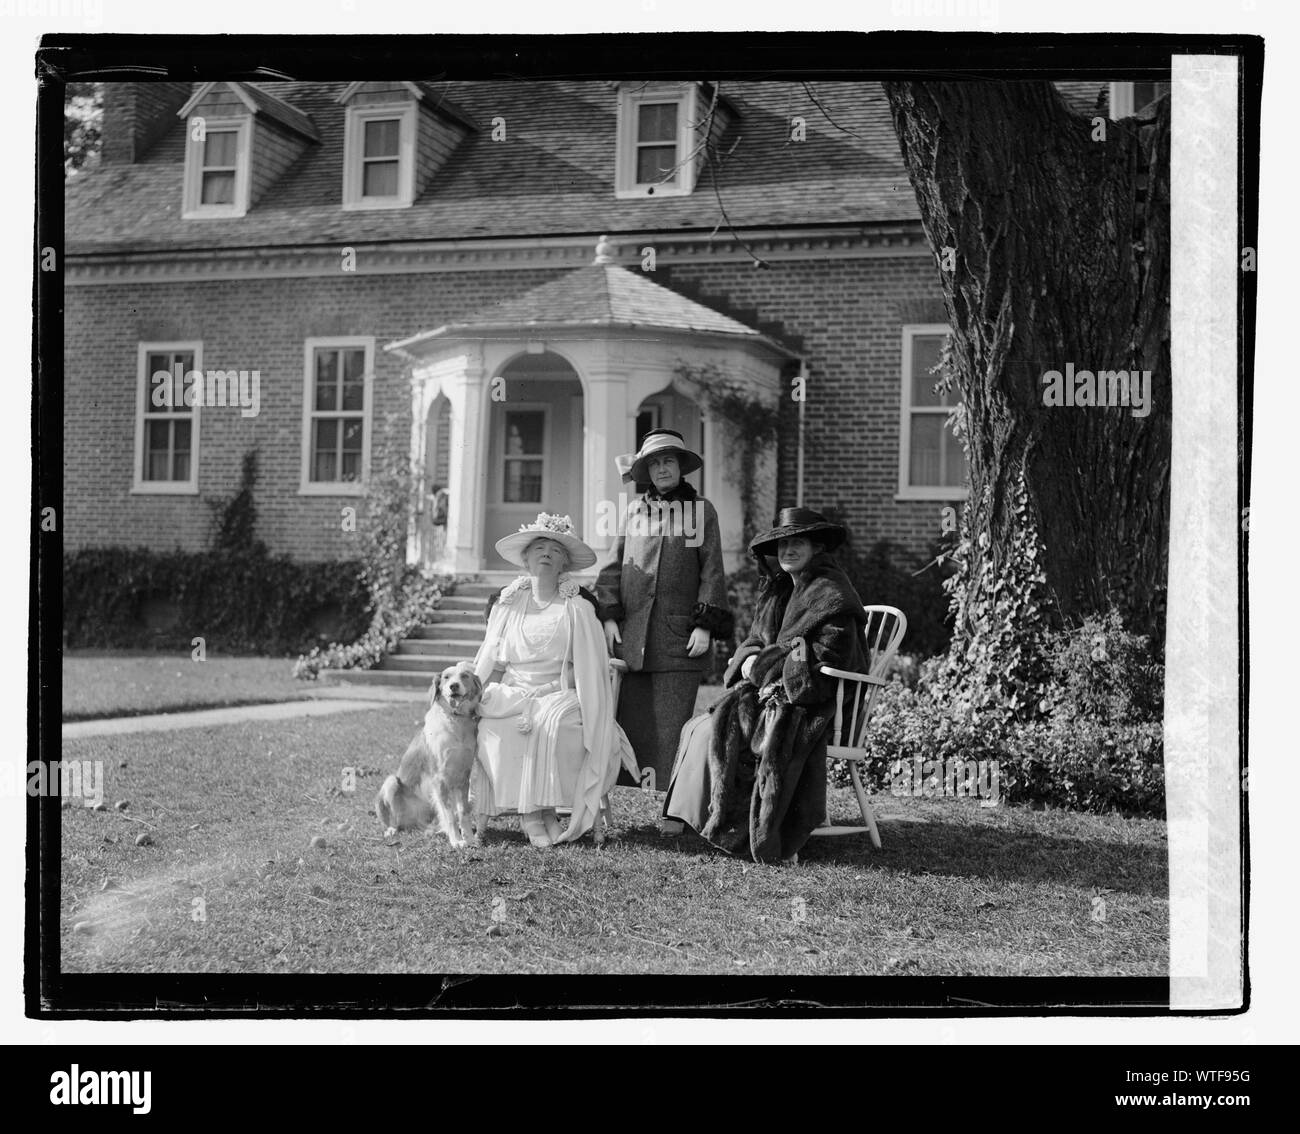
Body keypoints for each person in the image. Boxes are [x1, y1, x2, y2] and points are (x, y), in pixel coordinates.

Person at [661, 507, 869, 864]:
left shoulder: (831, 594)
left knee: (740, 731)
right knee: (702, 726)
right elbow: (756, 639)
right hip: (771, 691)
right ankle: (701, 816)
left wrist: (767, 668)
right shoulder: (778, 591)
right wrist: (750, 660)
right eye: (784, 544)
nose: (788, 551)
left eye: (798, 543)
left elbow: (829, 660)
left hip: (813, 702)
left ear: (817, 546)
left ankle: (748, 826)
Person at [471, 513, 639, 847]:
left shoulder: (577, 607)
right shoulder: (507, 603)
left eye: (555, 549)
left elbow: (588, 664)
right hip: (515, 691)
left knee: (556, 723)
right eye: (539, 547)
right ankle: (532, 815)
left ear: (565, 563)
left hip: (559, 690)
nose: (546, 553)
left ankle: (544, 810)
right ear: (525, 558)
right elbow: (493, 660)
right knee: (496, 723)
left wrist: (550, 691)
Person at [595, 428, 733, 809]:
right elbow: (612, 567)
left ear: (680, 467)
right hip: (633, 639)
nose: (661, 469)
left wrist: (705, 623)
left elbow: (712, 571)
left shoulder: (701, 512)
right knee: (629, 727)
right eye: (654, 463)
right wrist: (609, 616)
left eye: (668, 461)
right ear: (646, 471)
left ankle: (677, 810)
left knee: (672, 729)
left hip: (678, 639)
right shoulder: (633, 512)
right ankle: (616, 797)